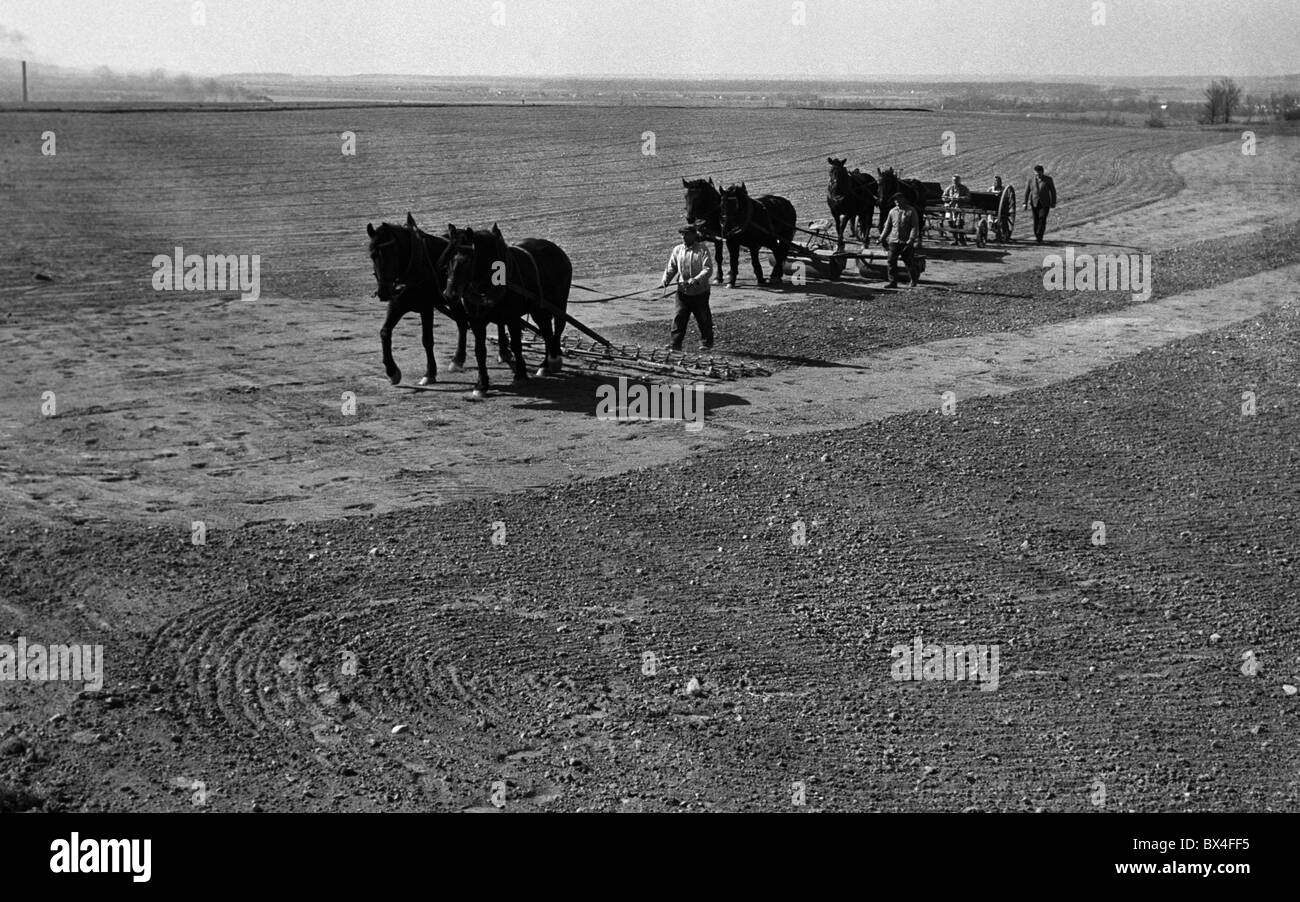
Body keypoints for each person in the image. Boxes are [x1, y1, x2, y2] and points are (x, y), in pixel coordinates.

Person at [660, 224, 715, 350]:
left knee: (703, 317)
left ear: (694, 235)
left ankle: (707, 342)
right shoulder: (677, 250)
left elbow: (708, 269)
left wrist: (696, 279)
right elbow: (672, 267)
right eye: (682, 234)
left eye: (687, 234)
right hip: (682, 291)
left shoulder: (702, 249)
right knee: (679, 316)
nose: (684, 237)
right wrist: (666, 280)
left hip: (700, 291)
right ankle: (675, 343)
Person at [879, 195, 920, 288]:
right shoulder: (892, 211)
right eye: (895, 200)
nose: (897, 202)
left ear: (904, 200)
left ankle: (913, 280)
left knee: (908, 261)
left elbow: (914, 226)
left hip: (906, 242)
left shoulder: (911, 211)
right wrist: (881, 238)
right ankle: (893, 282)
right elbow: (887, 227)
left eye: (898, 200)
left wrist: (911, 239)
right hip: (893, 241)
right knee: (891, 262)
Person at [1023, 164, 1057, 244]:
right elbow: (1027, 192)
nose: (1037, 175)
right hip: (1034, 202)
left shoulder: (1048, 179)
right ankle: (1036, 235)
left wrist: (1053, 202)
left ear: (1042, 172)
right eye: (1036, 173)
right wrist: (1025, 203)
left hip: (1045, 203)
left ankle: (1039, 236)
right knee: (1036, 220)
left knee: (1042, 219)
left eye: (1039, 173)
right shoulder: (1031, 180)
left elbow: (1053, 191)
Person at [942, 175, 971, 245]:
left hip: (960, 208)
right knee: (951, 223)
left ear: (959, 180)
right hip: (950, 208)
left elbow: (968, 197)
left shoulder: (964, 188)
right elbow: (943, 197)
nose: (955, 181)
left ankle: (962, 240)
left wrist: (960, 198)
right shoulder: (949, 188)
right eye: (954, 180)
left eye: (956, 180)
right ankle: (955, 239)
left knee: (960, 224)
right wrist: (948, 198)